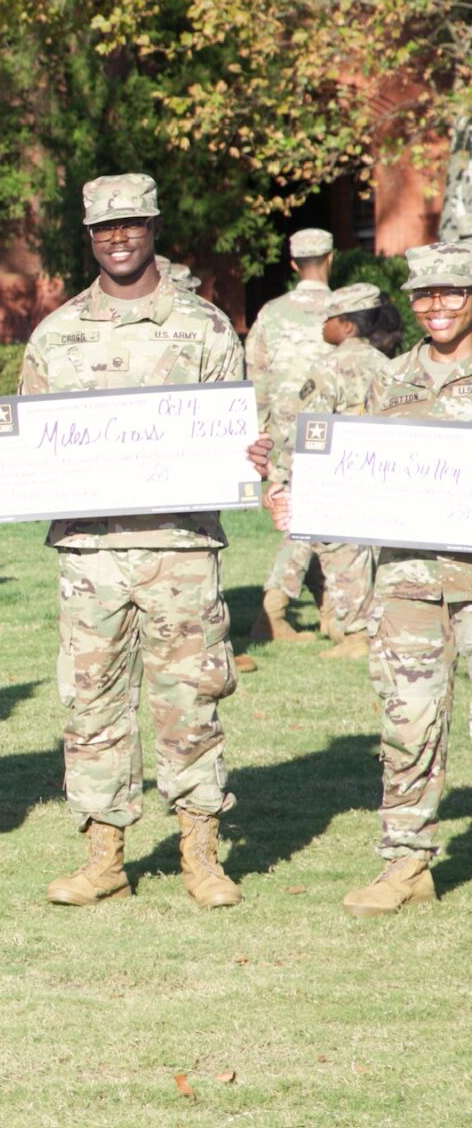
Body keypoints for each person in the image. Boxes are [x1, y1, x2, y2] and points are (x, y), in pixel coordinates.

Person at [0, 174, 266, 910]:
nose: (119, 237)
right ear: (89, 236)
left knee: (191, 701)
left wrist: (252, 454)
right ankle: (104, 856)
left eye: (131, 224)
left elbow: (239, 433)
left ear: (155, 227)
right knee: (91, 704)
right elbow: (29, 438)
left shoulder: (206, 328)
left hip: (181, 550)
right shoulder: (58, 333)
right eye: (104, 228)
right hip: (90, 558)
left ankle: (201, 854)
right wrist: (1, 471)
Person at [272, 244, 472, 916]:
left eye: (452, 292)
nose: (436, 306)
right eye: (424, 295)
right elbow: (346, 463)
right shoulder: (391, 380)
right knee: (407, 724)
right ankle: (406, 865)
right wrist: (292, 478)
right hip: (410, 583)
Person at [271, 283, 391, 661]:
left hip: (335, 476)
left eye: (331, 320)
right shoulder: (388, 366)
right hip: (377, 474)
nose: (323, 326)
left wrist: (286, 476)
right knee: (367, 553)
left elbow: (310, 427)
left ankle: (355, 634)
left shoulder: (329, 367)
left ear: (348, 326)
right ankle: (349, 622)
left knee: (340, 551)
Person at [246, 229, 336, 642]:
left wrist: (261, 436)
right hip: (334, 430)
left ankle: (332, 609)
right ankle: (273, 608)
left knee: (316, 518)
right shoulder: (345, 311)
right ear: (331, 259)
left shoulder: (271, 313)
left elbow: (257, 380)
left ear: (294, 265)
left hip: (284, 432)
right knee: (312, 519)